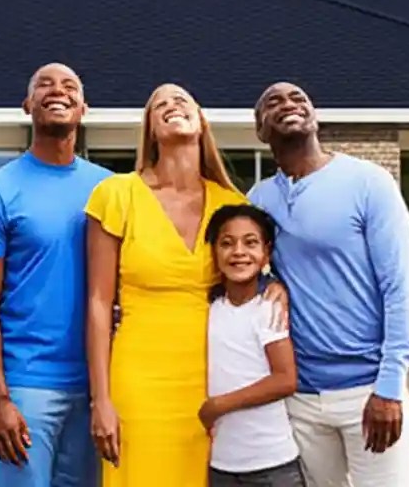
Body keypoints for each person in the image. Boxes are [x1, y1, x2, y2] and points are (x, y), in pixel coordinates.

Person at [84, 83, 288, 487]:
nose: (171, 106)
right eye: (159, 104)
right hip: (139, 379)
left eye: (182, 101)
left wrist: (276, 283)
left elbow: (251, 264)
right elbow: (98, 302)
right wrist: (101, 399)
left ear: (201, 122)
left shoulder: (232, 204)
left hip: (213, 379)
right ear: (150, 130)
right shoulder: (116, 194)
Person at [247, 82, 409, 487]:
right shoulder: (258, 200)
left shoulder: (368, 182)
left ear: (315, 117)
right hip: (300, 399)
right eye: (274, 102)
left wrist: (391, 386)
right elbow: (242, 275)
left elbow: (400, 287)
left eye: (298, 99)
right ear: (261, 130)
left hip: (368, 390)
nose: (289, 104)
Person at [0, 62, 112, 487]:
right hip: (27, 389)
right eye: (44, 85)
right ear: (28, 105)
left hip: (96, 388)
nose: (57, 91)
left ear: (84, 108)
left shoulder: (110, 191)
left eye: (69, 86)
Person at [198, 203, 304, 487]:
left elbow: (285, 379)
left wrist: (218, 406)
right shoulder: (211, 308)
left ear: (266, 253)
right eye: (227, 243)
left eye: (251, 243)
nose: (239, 252)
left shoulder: (268, 307)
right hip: (222, 465)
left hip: (271, 466)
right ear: (214, 252)